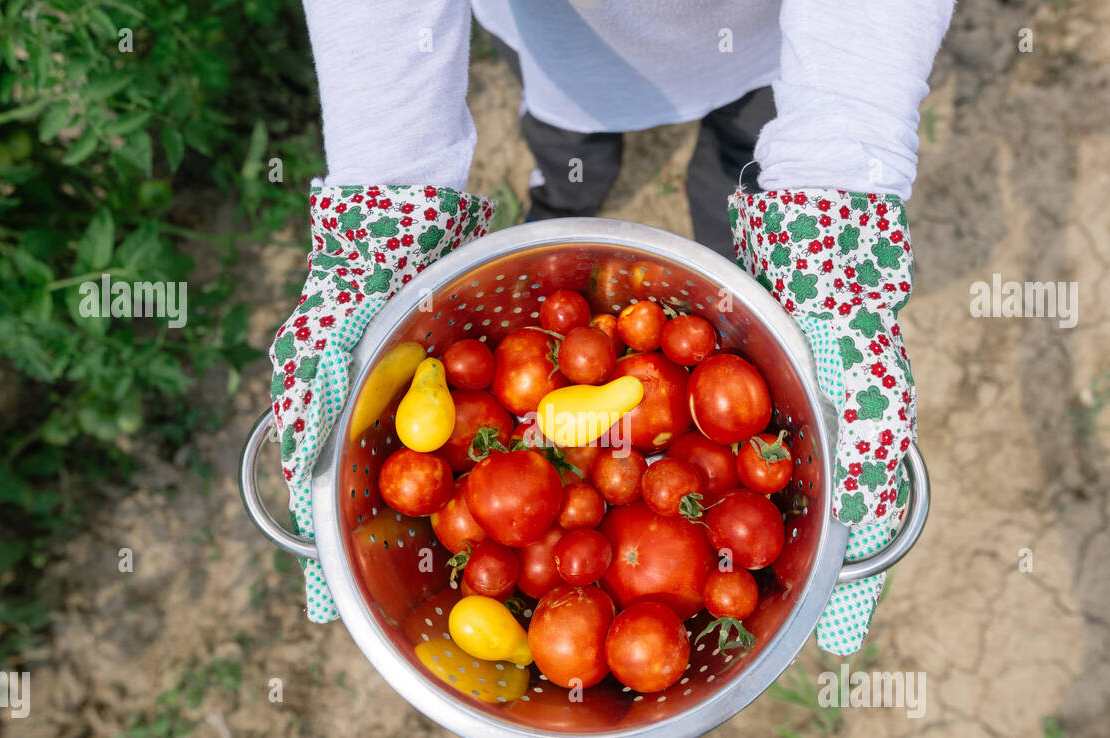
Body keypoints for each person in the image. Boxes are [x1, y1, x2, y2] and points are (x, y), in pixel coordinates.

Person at [268, 0, 956, 654]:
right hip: (557, 41)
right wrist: (388, 196)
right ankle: (567, 197)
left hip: (759, 35)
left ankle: (722, 259)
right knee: (569, 139)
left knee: (738, 150)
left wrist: (831, 218)